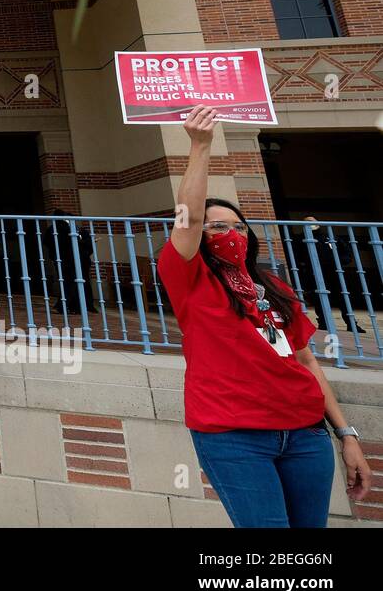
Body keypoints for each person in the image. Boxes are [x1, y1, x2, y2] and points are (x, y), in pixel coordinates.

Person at [156, 105, 371, 527]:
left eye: (237, 226)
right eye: (215, 229)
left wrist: (346, 435)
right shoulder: (190, 279)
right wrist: (201, 145)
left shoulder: (275, 287)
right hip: (235, 437)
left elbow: (307, 361)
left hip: (307, 435)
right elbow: (189, 217)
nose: (229, 234)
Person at [286, 216, 363, 334]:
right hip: (314, 272)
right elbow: (296, 256)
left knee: (343, 297)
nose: (310, 223)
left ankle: (351, 323)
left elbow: (345, 252)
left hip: (335, 271)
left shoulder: (329, 236)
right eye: (307, 222)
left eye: (313, 221)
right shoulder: (301, 239)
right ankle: (323, 322)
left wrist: (341, 261)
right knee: (319, 298)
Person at [46, 208, 97, 314]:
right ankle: (72, 305)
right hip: (70, 259)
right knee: (72, 283)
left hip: (70, 259)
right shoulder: (66, 229)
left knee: (71, 282)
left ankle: (75, 305)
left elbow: (47, 242)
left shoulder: (67, 229)